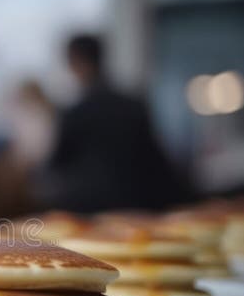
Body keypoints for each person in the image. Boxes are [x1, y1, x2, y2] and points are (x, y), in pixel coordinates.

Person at [43, 35, 187, 212]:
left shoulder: (75, 112)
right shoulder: (134, 104)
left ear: (75, 62)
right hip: (137, 204)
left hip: (88, 211)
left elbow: (56, 163)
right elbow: (155, 158)